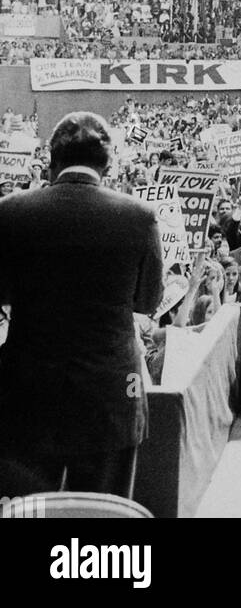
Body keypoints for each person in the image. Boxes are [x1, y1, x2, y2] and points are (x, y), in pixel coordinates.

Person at [0, 111, 163, 497]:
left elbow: (1, 292)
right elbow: (147, 301)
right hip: (113, 394)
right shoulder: (139, 216)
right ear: (107, 163)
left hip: (28, 395)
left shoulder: (9, 212)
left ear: (51, 160)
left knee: (27, 509)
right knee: (102, 513)